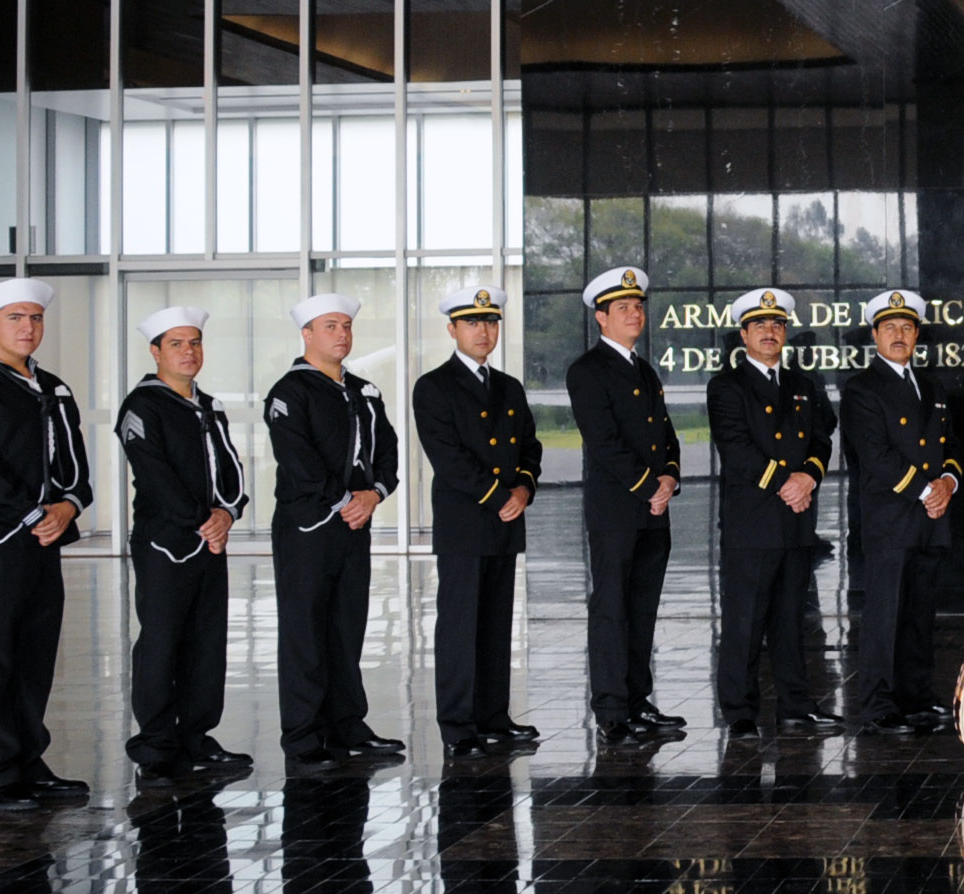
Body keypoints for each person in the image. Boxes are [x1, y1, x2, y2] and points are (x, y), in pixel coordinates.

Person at [0, 277, 93, 811]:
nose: (27, 328)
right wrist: (34, 513)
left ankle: (31, 761)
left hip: (42, 544)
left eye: (34, 318)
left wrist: (69, 506)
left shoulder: (52, 387)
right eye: (15, 318)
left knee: (34, 656)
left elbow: (75, 464)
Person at [266, 291, 403, 766]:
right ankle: (304, 736)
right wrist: (347, 499)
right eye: (330, 327)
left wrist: (375, 493)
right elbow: (299, 460)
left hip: (354, 525)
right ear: (306, 334)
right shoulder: (290, 391)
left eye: (346, 326)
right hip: (308, 528)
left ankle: (347, 726)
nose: (342, 334)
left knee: (347, 627)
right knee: (305, 632)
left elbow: (388, 450)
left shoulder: (364, 390)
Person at [118, 305, 251, 784]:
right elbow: (155, 476)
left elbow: (231, 471)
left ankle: (196, 737)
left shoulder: (209, 405)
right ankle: (155, 746)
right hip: (166, 545)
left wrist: (228, 511)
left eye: (194, 342)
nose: (188, 351)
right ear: (155, 351)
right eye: (176, 343)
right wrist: (203, 520)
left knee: (207, 642)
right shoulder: (142, 406)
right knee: (161, 641)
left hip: (210, 543)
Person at [413, 285, 543, 758]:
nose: (484, 331)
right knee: (460, 625)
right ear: (452, 329)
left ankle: (493, 716)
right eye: (473, 323)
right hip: (466, 523)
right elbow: (448, 458)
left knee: (495, 625)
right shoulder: (433, 386)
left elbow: (531, 446)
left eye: (490, 322)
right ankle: (459, 724)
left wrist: (524, 488)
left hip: (505, 522)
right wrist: (499, 496)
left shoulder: (508, 386)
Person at [706, 287, 841, 738]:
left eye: (778, 324)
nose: (770, 332)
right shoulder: (726, 386)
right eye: (761, 325)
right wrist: (788, 482)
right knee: (744, 622)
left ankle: (795, 707)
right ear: (744, 334)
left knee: (791, 621)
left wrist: (809, 477)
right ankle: (740, 712)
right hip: (753, 523)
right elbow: (737, 449)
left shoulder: (803, 386)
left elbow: (821, 440)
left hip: (797, 521)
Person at [566, 266, 684, 745]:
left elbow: (666, 434)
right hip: (618, 511)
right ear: (601, 317)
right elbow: (605, 441)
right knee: (612, 609)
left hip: (653, 511)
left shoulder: (644, 369)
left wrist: (671, 477)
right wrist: (647, 485)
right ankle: (613, 712)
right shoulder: (588, 370)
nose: (635, 314)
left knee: (642, 609)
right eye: (623, 308)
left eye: (638, 307)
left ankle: (638, 700)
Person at [842, 289, 962, 731]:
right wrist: (925, 490)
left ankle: (916, 697)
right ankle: (878, 706)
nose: (899, 335)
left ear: (916, 336)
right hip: (891, 517)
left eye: (907, 328)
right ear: (874, 334)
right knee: (885, 616)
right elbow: (875, 454)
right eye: (889, 328)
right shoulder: (861, 387)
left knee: (918, 614)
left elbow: (950, 446)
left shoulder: (931, 385)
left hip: (930, 517)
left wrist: (948, 483)